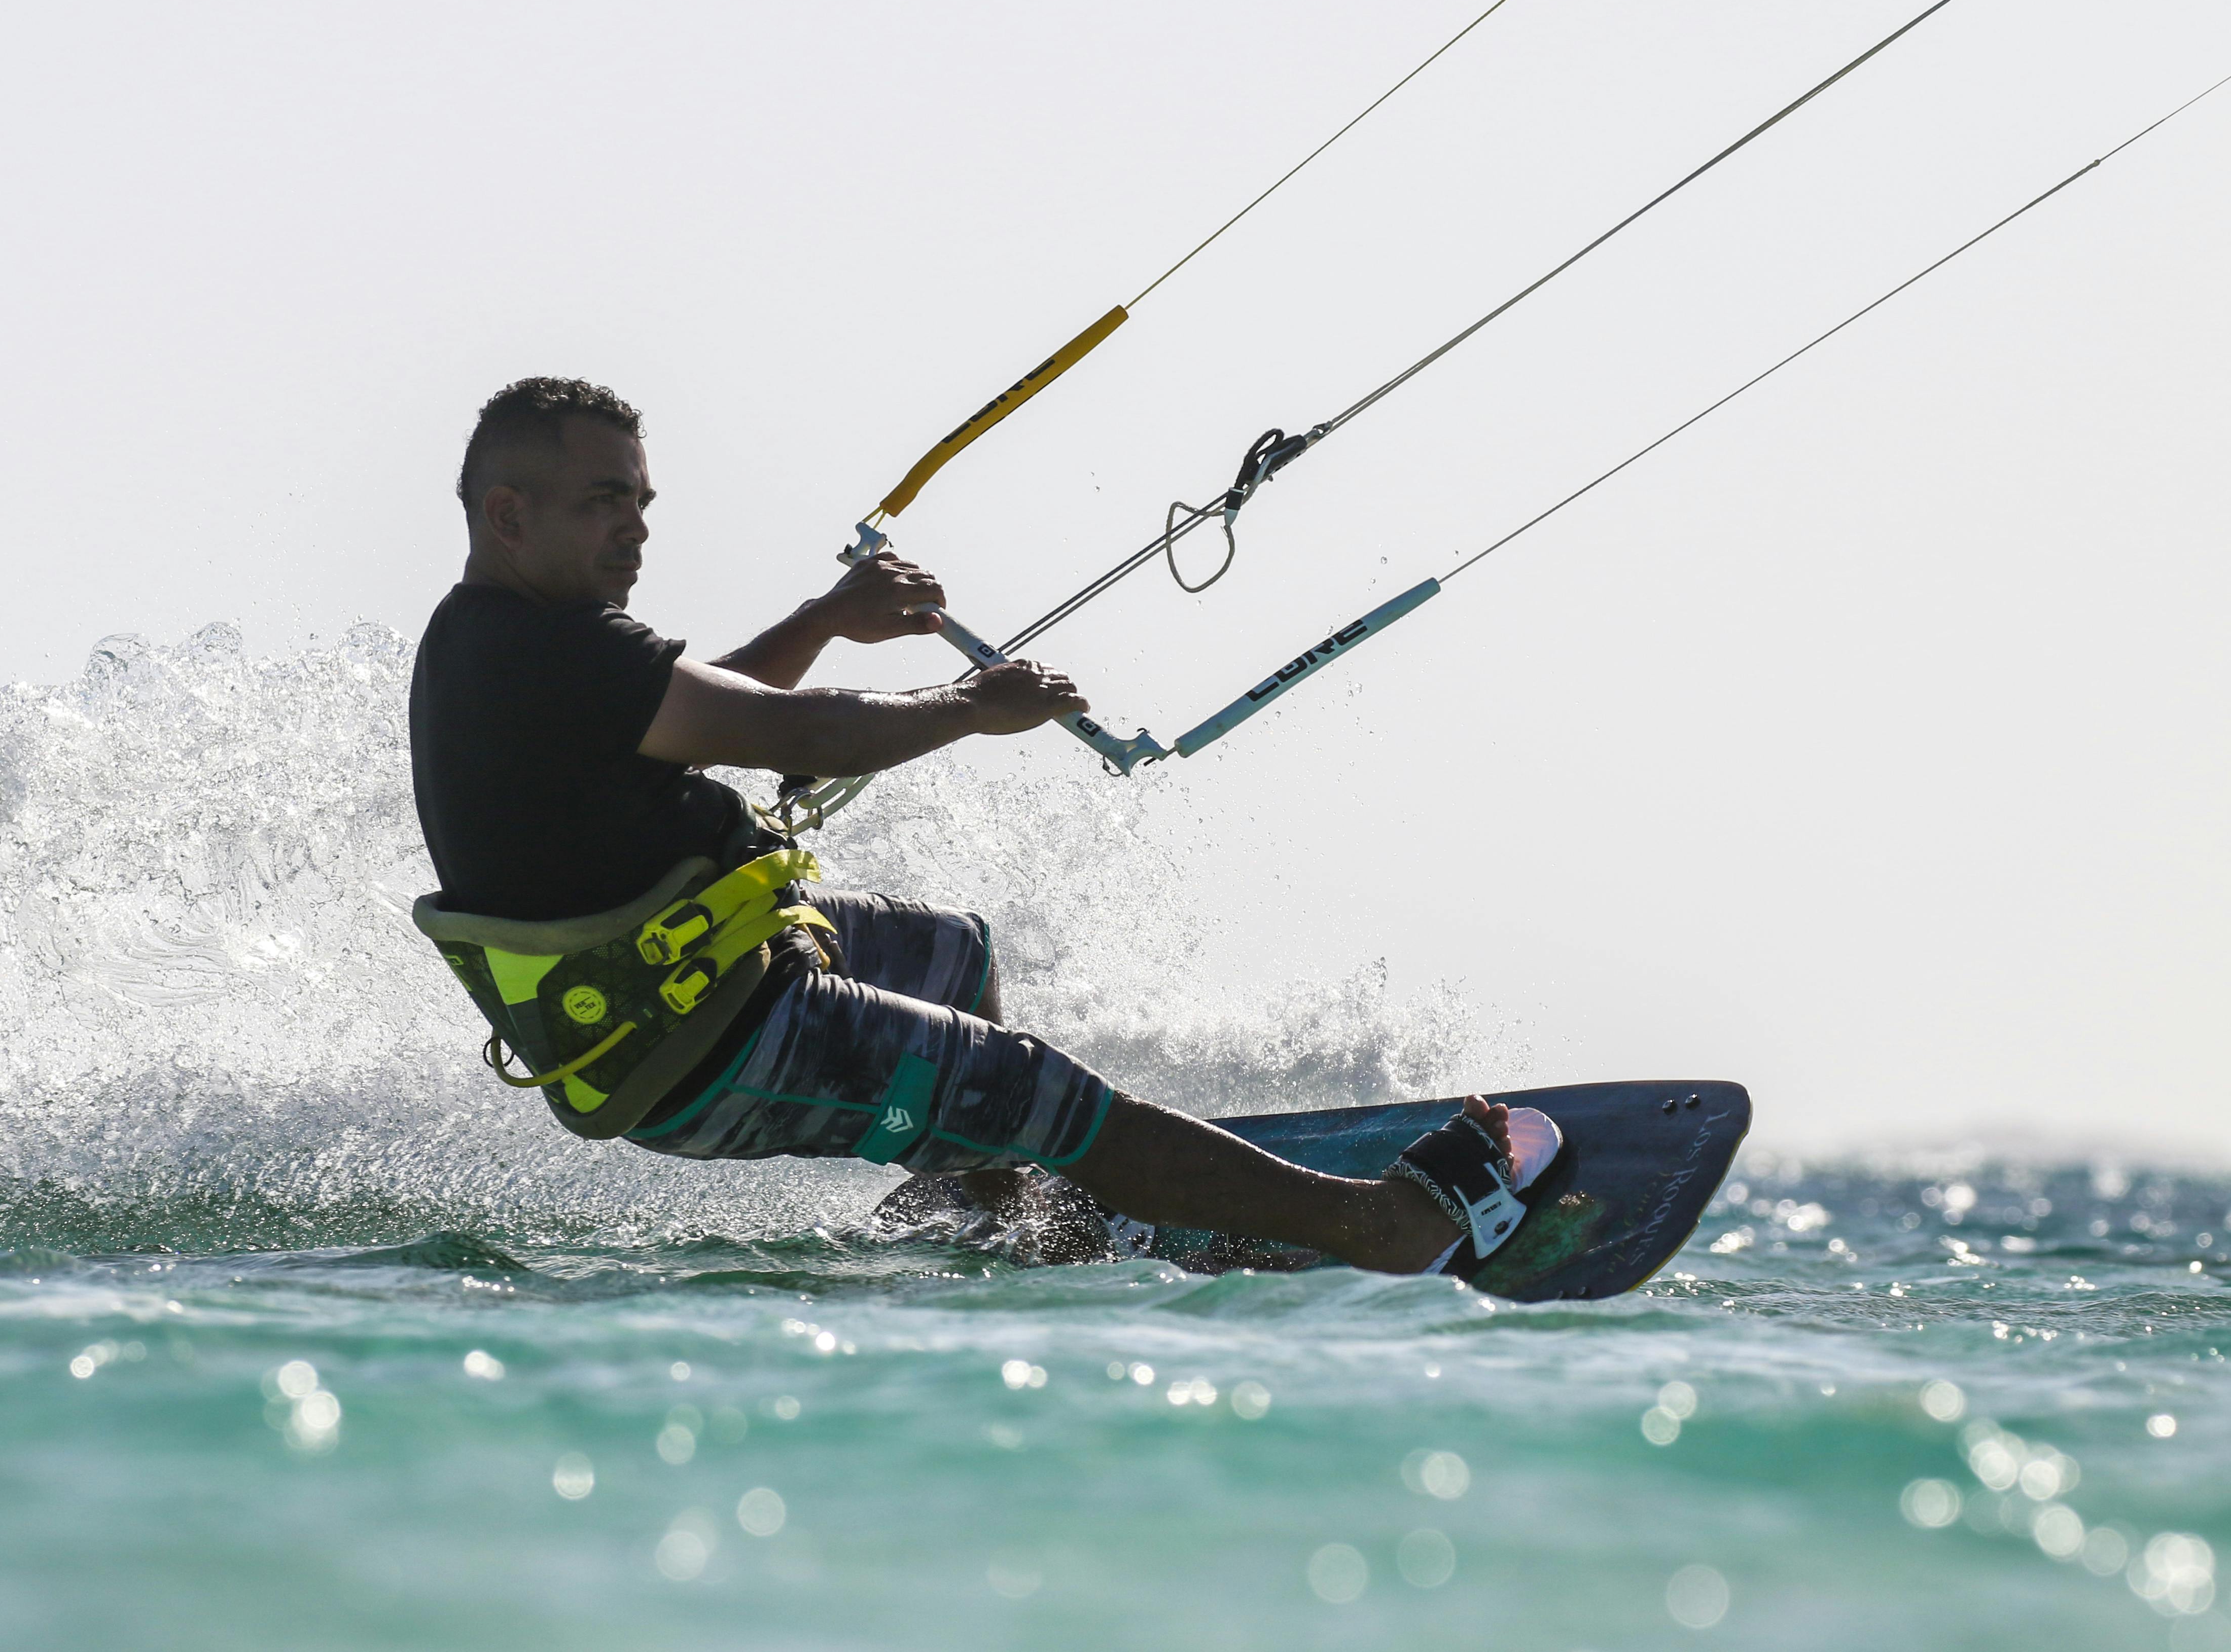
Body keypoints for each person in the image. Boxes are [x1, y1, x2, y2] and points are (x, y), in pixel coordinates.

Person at [408, 376, 1549, 1273]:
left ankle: (1000, 1200)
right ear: (508, 513)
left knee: (958, 950)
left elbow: (713, 718)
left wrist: (825, 619)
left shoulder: (512, 641)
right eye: (605, 500)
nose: (635, 529)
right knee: (1031, 1085)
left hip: (708, 985)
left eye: (642, 501)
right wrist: (970, 706)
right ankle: (1385, 1228)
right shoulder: (542, 647)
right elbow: (800, 737)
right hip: (711, 1044)